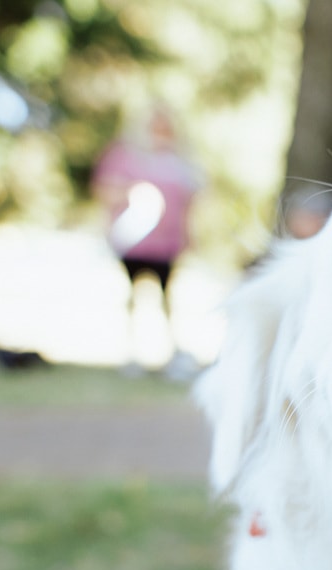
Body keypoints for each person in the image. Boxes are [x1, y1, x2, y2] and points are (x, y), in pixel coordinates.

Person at [92, 105, 203, 379]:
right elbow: (104, 189)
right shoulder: (126, 156)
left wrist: (189, 234)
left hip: (167, 245)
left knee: (167, 298)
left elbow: (190, 202)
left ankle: (172, 354)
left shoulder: (180, 162)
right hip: (133, 243)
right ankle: (131, 354)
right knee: (132, 296)